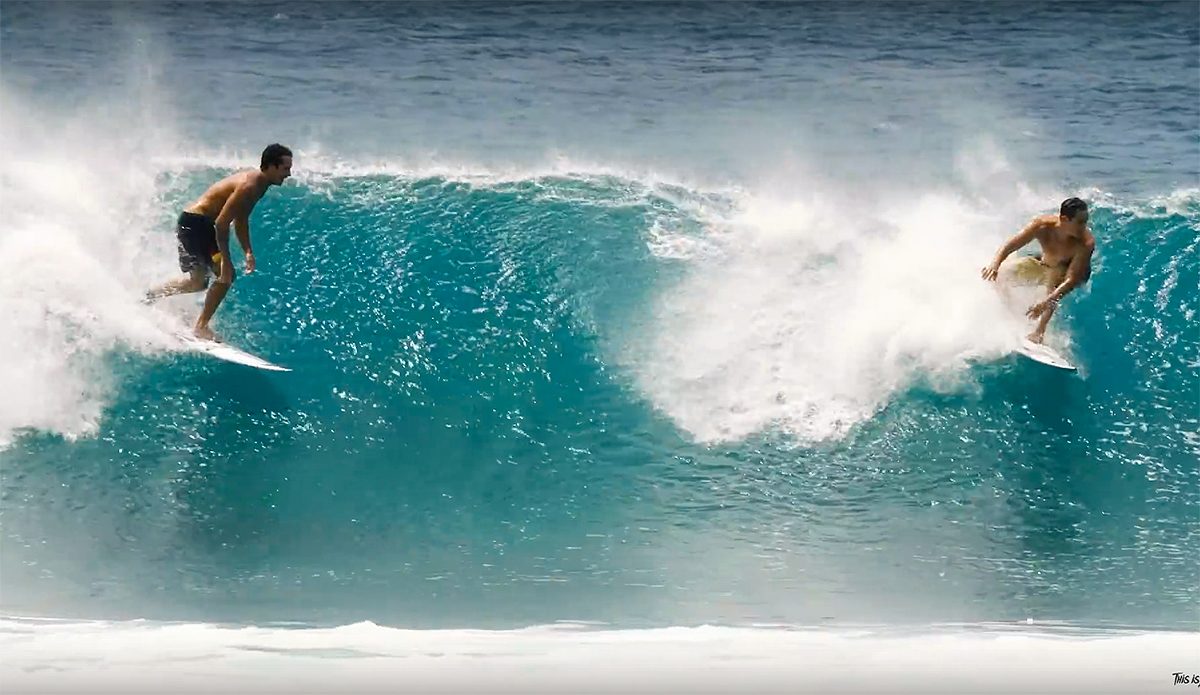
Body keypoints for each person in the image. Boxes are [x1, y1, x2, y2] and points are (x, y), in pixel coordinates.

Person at [146, 144, 293, 341]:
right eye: (285, 169)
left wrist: (248, 251)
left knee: (198, 282)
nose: (289, 174)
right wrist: (226, 261)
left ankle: (150, 295)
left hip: (194, 224)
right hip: (196, 225)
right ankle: (201, 327)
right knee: (227, 275)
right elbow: (221, 224)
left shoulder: (260, 184)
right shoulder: (249, 186)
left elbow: (241, 219)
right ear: (271, 166)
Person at [981, 197, 1095, 344]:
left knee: (1053, 281)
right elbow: (1011, 245)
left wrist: (1045, 302)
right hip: (1045, 262)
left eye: (1085, 221)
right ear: (1064, 219)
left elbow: (1071, 280)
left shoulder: (1085, 243)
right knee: (1002, 274)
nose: (1084, 226)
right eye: (1080, 222)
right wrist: (994, 264)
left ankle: (1039, 332)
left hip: (1072, 273)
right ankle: (1011, 313)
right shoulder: (1041, 226)